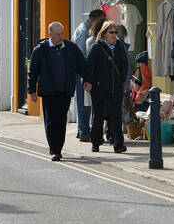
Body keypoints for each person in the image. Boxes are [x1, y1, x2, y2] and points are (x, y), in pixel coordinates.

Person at [29, 22, 90, 161]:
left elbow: (82, 65)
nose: (61, 36)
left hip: (65, 91)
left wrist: (87, 79)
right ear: (50, 34)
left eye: (62, 33)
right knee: (51, 121)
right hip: (48, 92)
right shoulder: (40, 50)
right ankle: (54, 149)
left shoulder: (70, 48)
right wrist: (31, 89)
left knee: (61, 120)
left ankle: (59, 148)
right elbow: (33, 71)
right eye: (58, 34)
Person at [86, 22, 128, 153]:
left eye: (116, 32)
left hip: (116, 87)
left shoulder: (120, 47)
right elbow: (88, 66)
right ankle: (96, 142)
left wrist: (121, 81)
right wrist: (91, 82)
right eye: (112, 32)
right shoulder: (96, 47)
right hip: (99, 88)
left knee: (116, 116)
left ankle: (118, 144)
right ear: (104, 33)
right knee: (98, 116)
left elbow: (124, 65)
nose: (115, 35)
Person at [71, 9, 106, 142]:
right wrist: (87, 76)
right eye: (101, 21)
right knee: (84, 103)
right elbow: (82, 56)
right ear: (95, 20)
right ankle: (84, 131)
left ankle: (83, 130)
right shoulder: (83, 31)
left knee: (86, 102)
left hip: (85, 72)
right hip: (82, 73)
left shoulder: (85, 29)